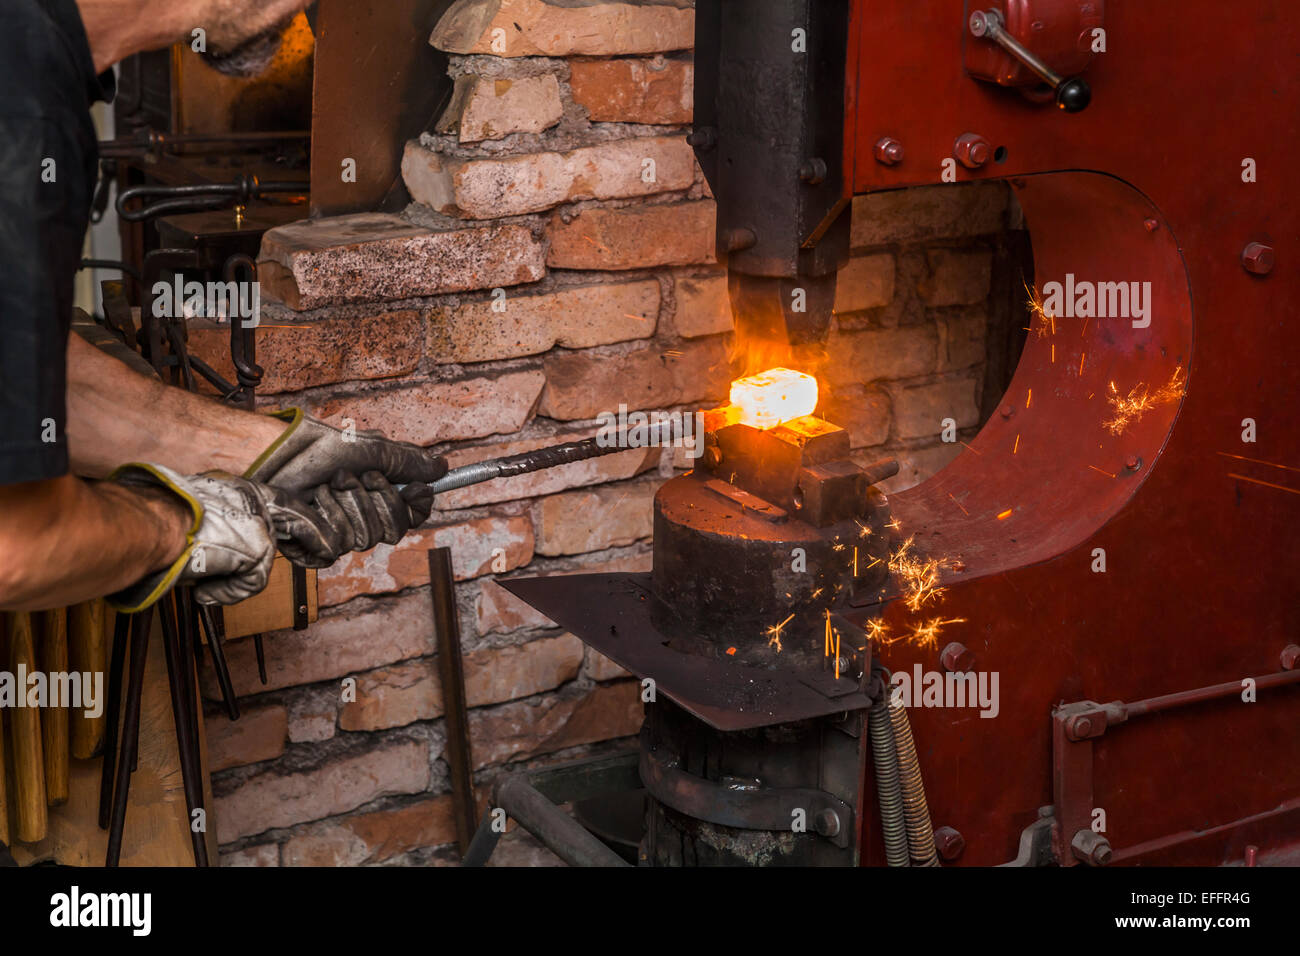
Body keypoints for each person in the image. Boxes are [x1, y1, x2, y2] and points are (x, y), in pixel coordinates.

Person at [0, 0, 444, 613]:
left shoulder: (28, 55)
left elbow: (27, 382)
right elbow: (15, 545)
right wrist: (185, 523)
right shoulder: (20, 106)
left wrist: (265, 454)